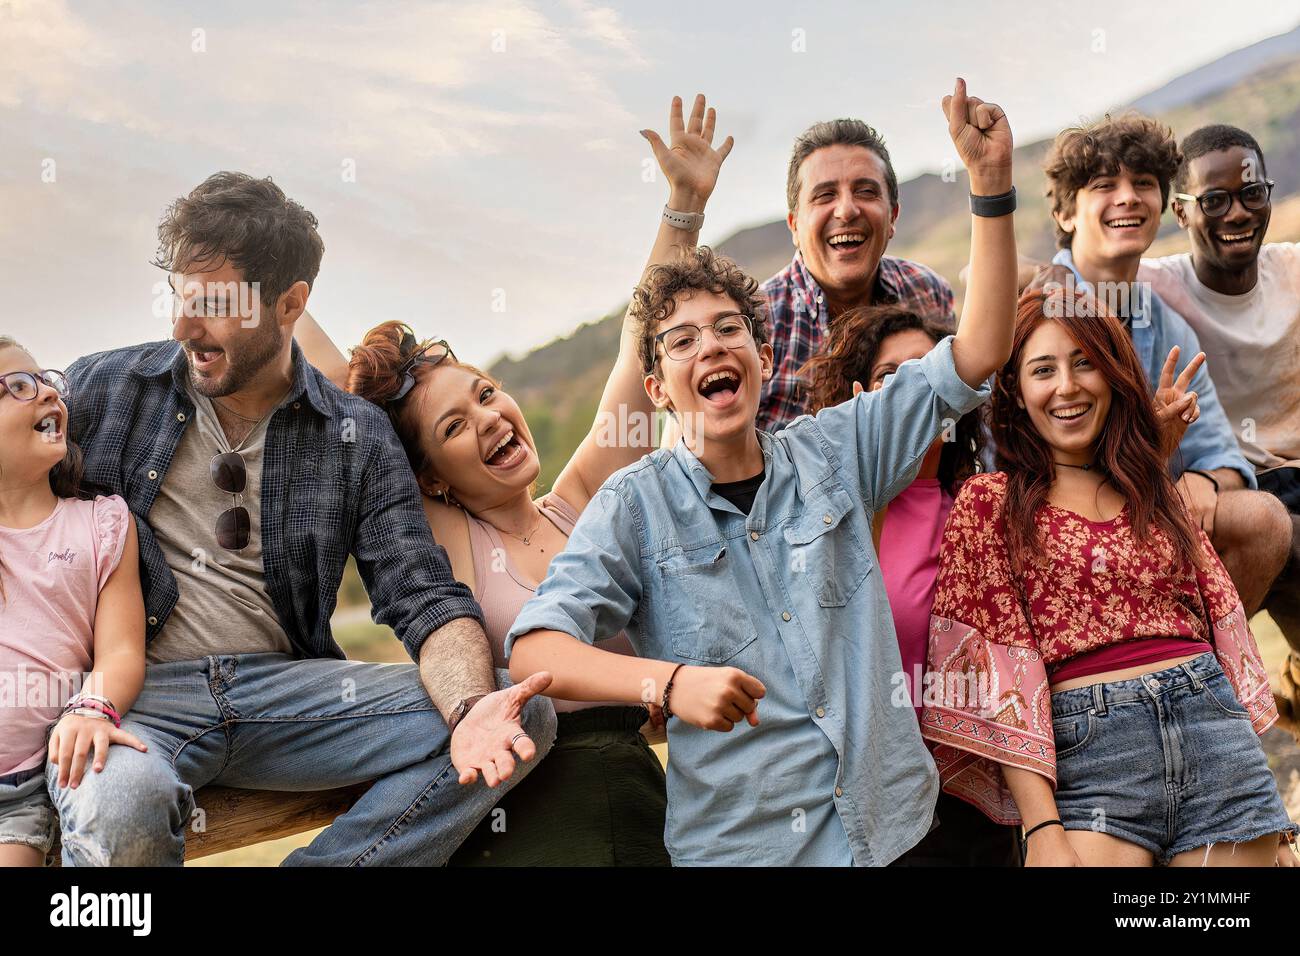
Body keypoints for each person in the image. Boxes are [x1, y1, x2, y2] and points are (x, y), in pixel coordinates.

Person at [508, 79, 1017, 865]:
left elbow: (978, 349)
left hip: (896, 833)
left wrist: (989, 189)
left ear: (765, 355)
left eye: (728, 329)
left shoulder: (837, 448)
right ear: (656, 388)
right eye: (681, 342)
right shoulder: (633, 508)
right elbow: (537, 648)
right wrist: (668, 685)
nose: (710, 346)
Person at [52, 172, 556, 866]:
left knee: (516, 710)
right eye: (180, 298)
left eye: (216, 304)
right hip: (140, 699)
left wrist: (470, 712)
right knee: (123, 801)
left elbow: (425, 599)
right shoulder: (101, 388)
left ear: (290, 305)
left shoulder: (358, 435)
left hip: (290, 697)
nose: (182, 327)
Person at [300, 93, 734, 865]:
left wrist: (683, 207)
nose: (491, 419)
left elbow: (635, 358)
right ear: (428, 478)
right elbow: (336, 394)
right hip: (528, 818)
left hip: (638, 804)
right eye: (455, 427)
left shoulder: (577, 510)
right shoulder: (447, 537)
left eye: (487, 394)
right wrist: (272, 269)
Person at [921, 285, 1298, 867]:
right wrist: (1042, 824)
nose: (1066, 387)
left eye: (1084, 364)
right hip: (1091, 764)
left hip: (1215, 741)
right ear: (1017, 394)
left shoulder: (1153, 493)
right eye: (1042, 370)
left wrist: (1151, 453)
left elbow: (1217, 624)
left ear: (1112, 377)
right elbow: (1000, 675)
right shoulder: (993, 502)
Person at [1041, 113, 1291, 618]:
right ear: (1068, 214)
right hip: (1059, 537)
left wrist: (1209, 482)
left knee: (1264, 519)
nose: (1128, 197)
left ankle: (1206, 672)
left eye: (1144, 184)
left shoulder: (1164, 322)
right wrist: (1148, 448)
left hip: (1151, 516)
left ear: (1162, 205)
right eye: (1105, 186)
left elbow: (1222, 451)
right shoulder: (1040, 315)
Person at [798, 310, 1019, 866]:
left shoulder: (988, 506)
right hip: (867, 799)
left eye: (927, 372)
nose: (915, 391)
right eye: (889, 379)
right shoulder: (824, 525)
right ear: (859, 399)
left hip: (974, 791)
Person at [1136, 124, 1300, 733]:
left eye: (1251, 193)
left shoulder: (1293, 272)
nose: (1238, 212)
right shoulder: (1157, 284)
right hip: (1223, 488)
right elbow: (1014, 276)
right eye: (1214, 200)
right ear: (1180, 210)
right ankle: (1203, 712)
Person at [0, 339, 148, 867]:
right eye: (18, 385)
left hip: (16, 793)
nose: (45, 394)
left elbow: (122, 650)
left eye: (46, 382)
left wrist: (92, 707)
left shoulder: (101, 523)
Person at [756, 116, 958, 433]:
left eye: (865, 191)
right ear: (795, 225)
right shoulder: (756, 320)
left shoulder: (926, 291)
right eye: (825, 195)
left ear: (892, 216)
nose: (847, 210)